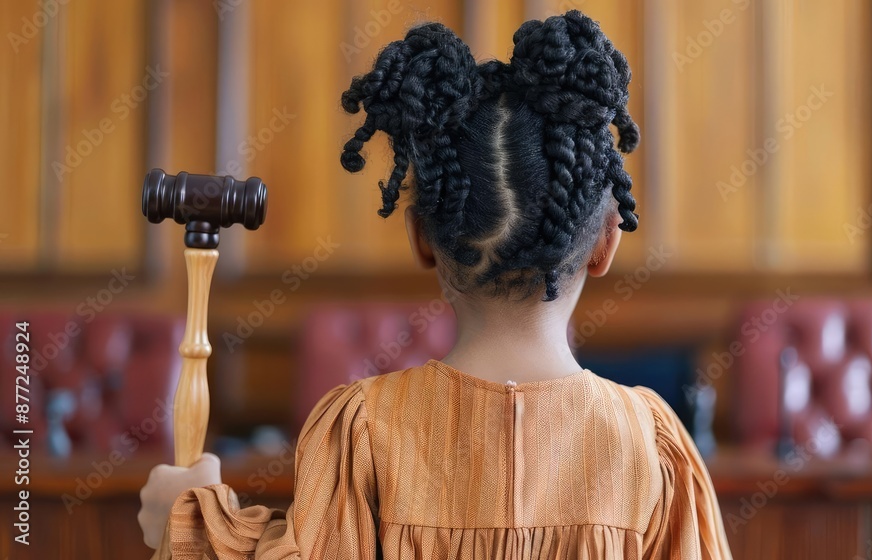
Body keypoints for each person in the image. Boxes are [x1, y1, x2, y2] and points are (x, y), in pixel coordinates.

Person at [139, 10, 732, 559]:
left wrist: (187, 524)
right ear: (605, 245)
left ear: (421, 239)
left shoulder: (364, 430)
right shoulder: (654, 448)